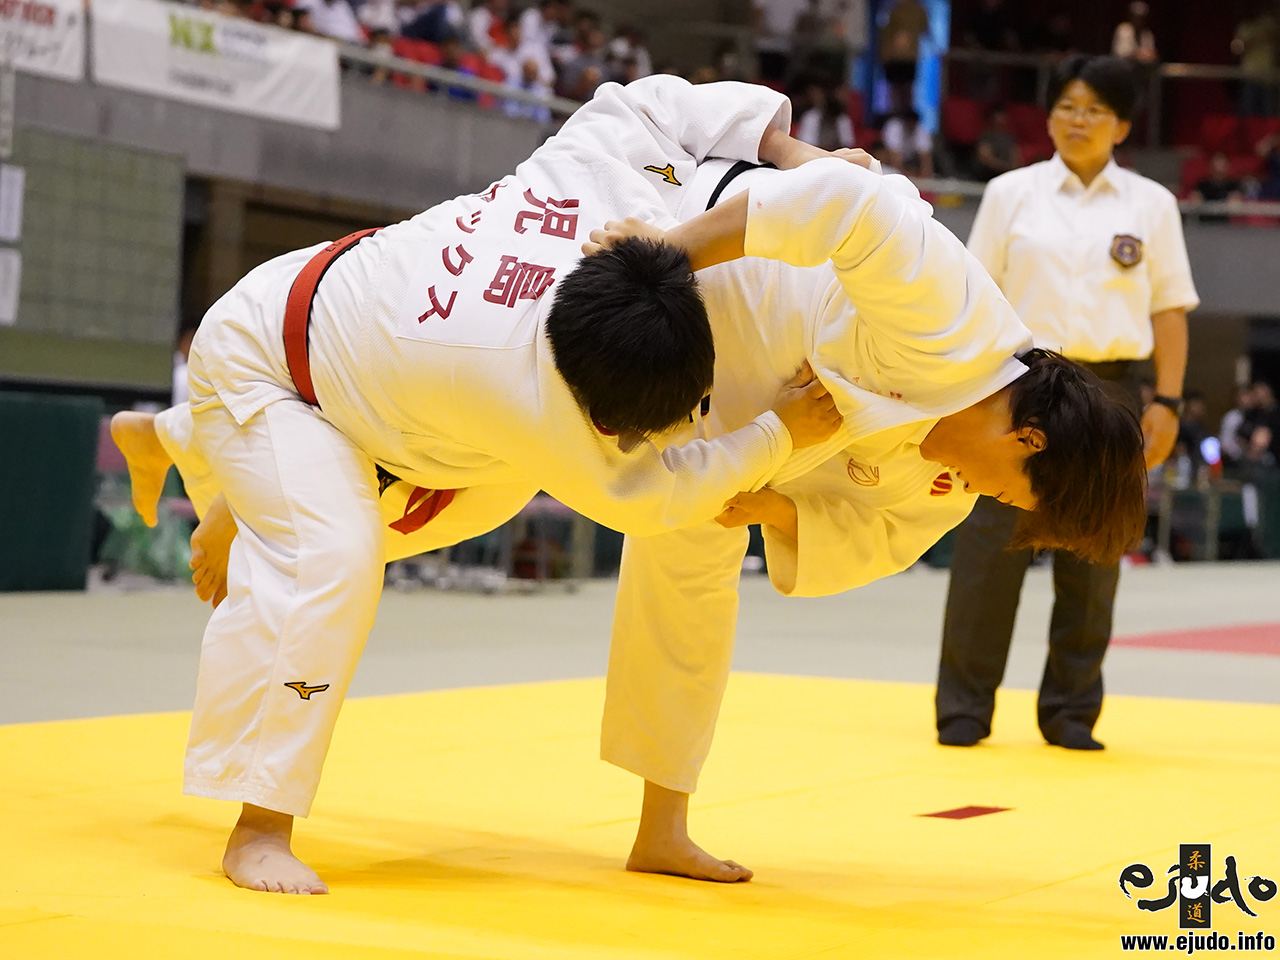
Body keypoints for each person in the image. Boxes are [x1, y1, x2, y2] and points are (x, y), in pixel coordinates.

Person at [111, 75, 846, 897]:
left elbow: (645, 101)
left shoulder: (604, 180)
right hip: (271, 366)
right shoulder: (523, 388)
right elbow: (659, 499)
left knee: (485, 487)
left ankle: (206, 463)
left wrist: (790, 153)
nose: (638, 440)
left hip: (369, 346)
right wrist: (781, 433)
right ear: (591, 409)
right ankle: (258, 826)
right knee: (334, 559)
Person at [935, 55, 1198, 752]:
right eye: (1067, 107)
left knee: (1095, 555)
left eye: (1095, 110)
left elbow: (1170, 309)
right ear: (1049, 117)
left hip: (1111, 387)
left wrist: (1169, 400)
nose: (1079, 120)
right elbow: (971, 293)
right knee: (989, 550)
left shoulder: (1151, 204)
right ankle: (963, 709)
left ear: (1122, 125)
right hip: (1019, 383)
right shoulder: (1011, 193)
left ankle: (1072, 712)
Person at [795, 85, 856, 152]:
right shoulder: (810, 117)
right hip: (813, 155)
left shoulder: (843, 119)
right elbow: (805, 144)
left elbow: (847, 144)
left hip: (837, 156)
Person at [1190, 151, 1243, 223]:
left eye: (1221, 163)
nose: (1218, 166)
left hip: (1226, 223)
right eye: (1216, 163)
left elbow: (1236, 202)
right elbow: (1195, 200)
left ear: (1227, 165)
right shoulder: (1202, 184)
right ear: (1210, 165)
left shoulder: (1233, 185)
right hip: (1204, 222)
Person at [973, 104, 1022, 181]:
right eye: (998, 116)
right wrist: (1005, 168)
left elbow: (1016, 157)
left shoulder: (1009, 138)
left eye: (1003, 116)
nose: (1001, 119)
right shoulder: (986, 136)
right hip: (987, 175)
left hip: (1006, 175)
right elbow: (985, 159)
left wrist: (1011, 169)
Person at [881, 108, 934, 178]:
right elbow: (894, 158)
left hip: (909, 162)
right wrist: (905, 175)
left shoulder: (921, 130)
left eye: (913, 124)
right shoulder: (894, 127)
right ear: (904, 122)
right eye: (909, 124)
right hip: (889, 161)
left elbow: (926, 158)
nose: (911, 126)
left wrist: (926, 176)